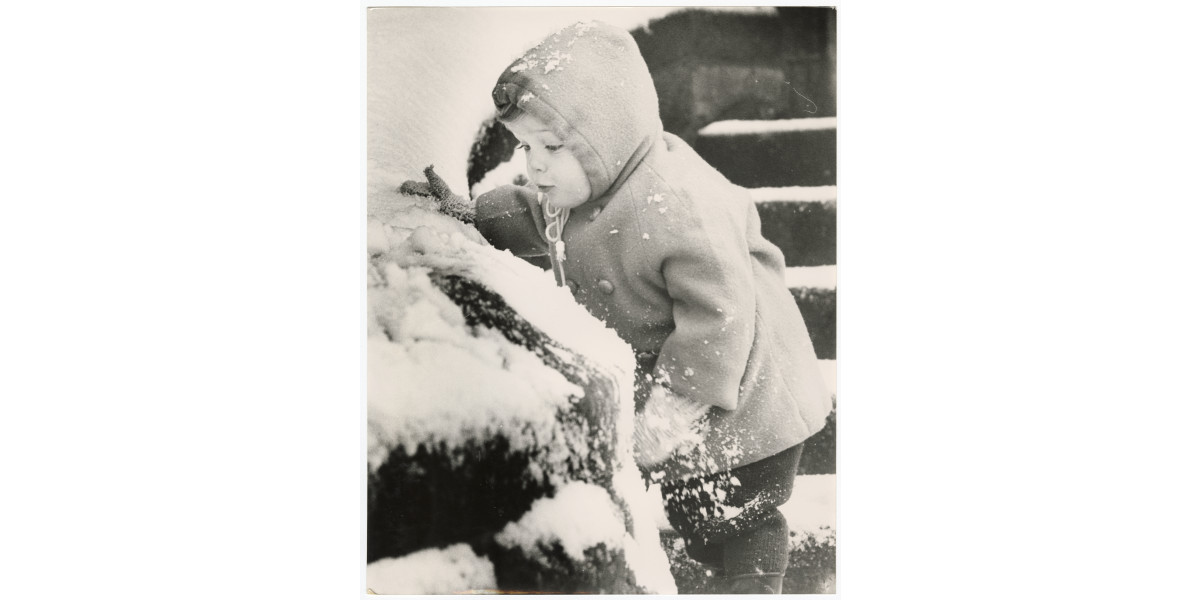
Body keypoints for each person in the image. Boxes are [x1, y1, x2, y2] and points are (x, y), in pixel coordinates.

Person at [403, 20, 832, 594]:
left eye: (552, 148)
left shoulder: (675, 206)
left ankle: (757, 586)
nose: (535, 165)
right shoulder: (586, 188)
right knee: (696, 512)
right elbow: (530, 215)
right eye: (526, 147)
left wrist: (669, 411)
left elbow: (721, 318)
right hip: (686, 385)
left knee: (739, 512)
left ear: (604, 137)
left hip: (744, 395)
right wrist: (470, 214)